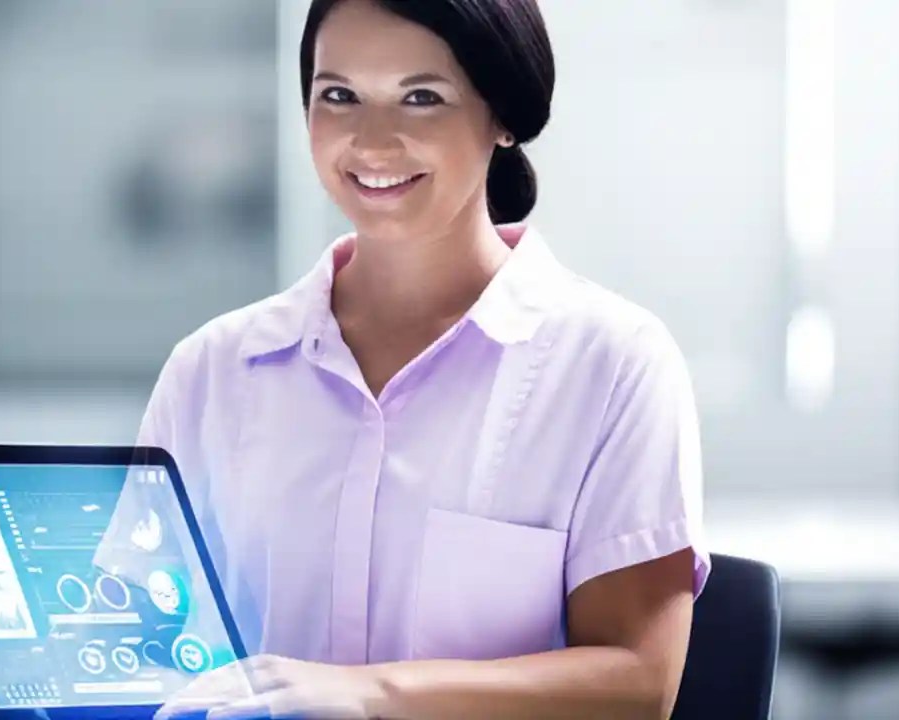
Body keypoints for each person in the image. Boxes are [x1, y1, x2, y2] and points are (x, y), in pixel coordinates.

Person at [133, 0, 710, 717]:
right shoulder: (211, 371)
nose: (373, 141)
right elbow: (133, 651)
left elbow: (638, 684)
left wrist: (367, 696)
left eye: (422, 97)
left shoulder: (613, 364)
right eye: (339, 95)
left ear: (503, 116)